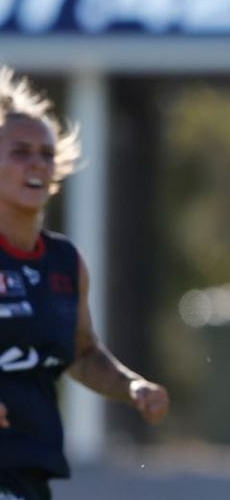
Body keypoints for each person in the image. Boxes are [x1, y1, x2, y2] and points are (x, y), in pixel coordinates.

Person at [0, 67, 170, 500]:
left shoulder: (64, 262)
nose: (37, 163)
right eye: (20, 152)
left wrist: (131, 386)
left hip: (27, 471)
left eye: (45, 153)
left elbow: (81, 351)